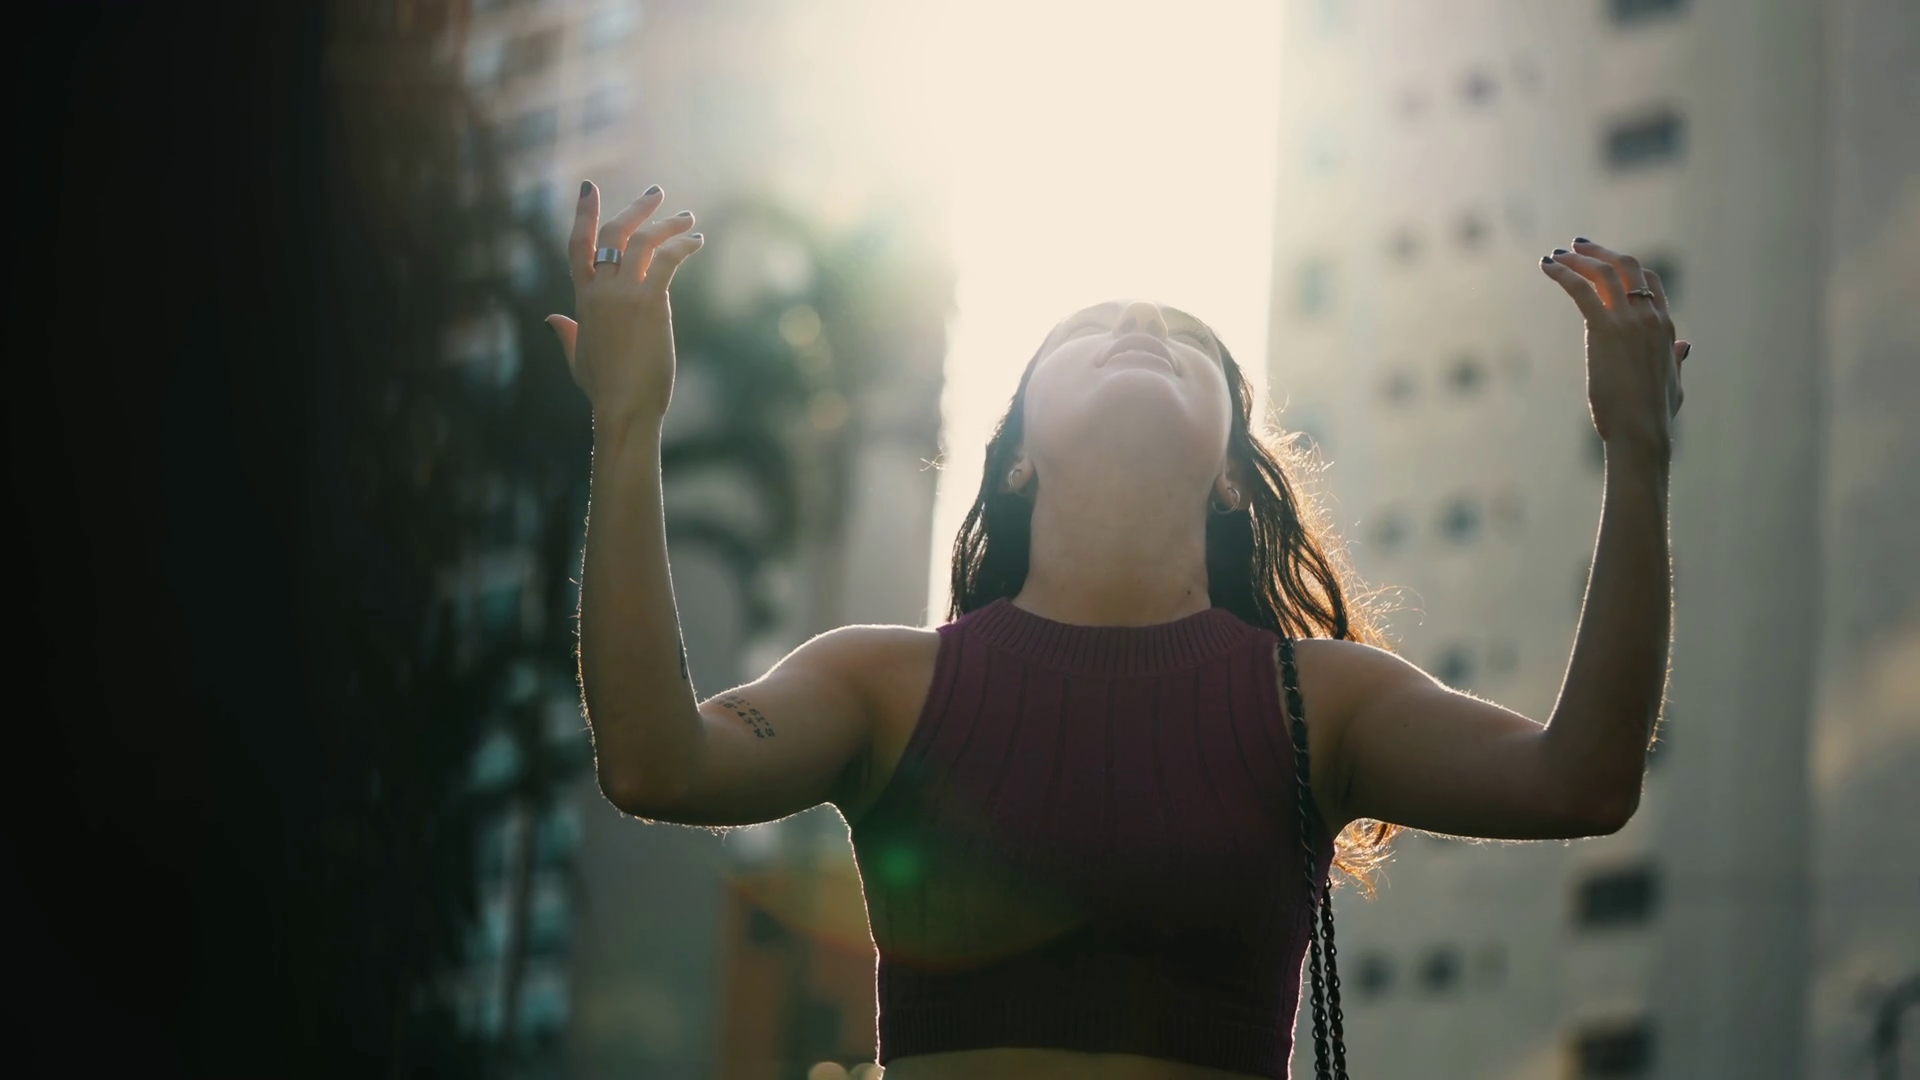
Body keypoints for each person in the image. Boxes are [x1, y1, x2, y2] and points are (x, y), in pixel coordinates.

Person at [545, 181, 1686, 1080]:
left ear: (1237, 477)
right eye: (1093, 326)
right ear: (1022, 456)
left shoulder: (1321, 699)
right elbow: (655, 761)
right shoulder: (886, 682)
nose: (1141, 324)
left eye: (1184, 337)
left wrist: (1637, 454)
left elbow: (1582, 782)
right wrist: (629, 420)